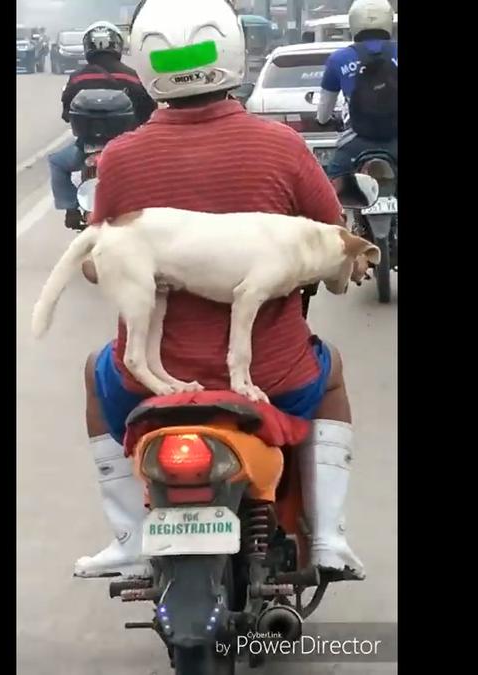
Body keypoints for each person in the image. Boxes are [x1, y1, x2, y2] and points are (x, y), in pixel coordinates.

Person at [71, 0, 366, 581]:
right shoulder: (283, 147)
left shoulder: (121, 156)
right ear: (232, 52)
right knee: (331, 375)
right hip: (274, 375)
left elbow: (101, 259)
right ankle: (330, 537)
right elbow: (335, 238)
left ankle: (128, 540)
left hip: (149, 382)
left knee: (93, 372)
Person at [47, 21, 156, 230]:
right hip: (127, 146)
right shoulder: (132, 76)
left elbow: (66, 112)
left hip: (85, 146)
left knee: (57, 163)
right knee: (152, 169)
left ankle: (70, 207)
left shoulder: (77, 77)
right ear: (117, 45)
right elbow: (148, 111)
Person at [316, 0, 398, 177]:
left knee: (333, 181)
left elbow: (324, 112)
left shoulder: (338, 59)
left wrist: (323, 121)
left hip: (355, 143)